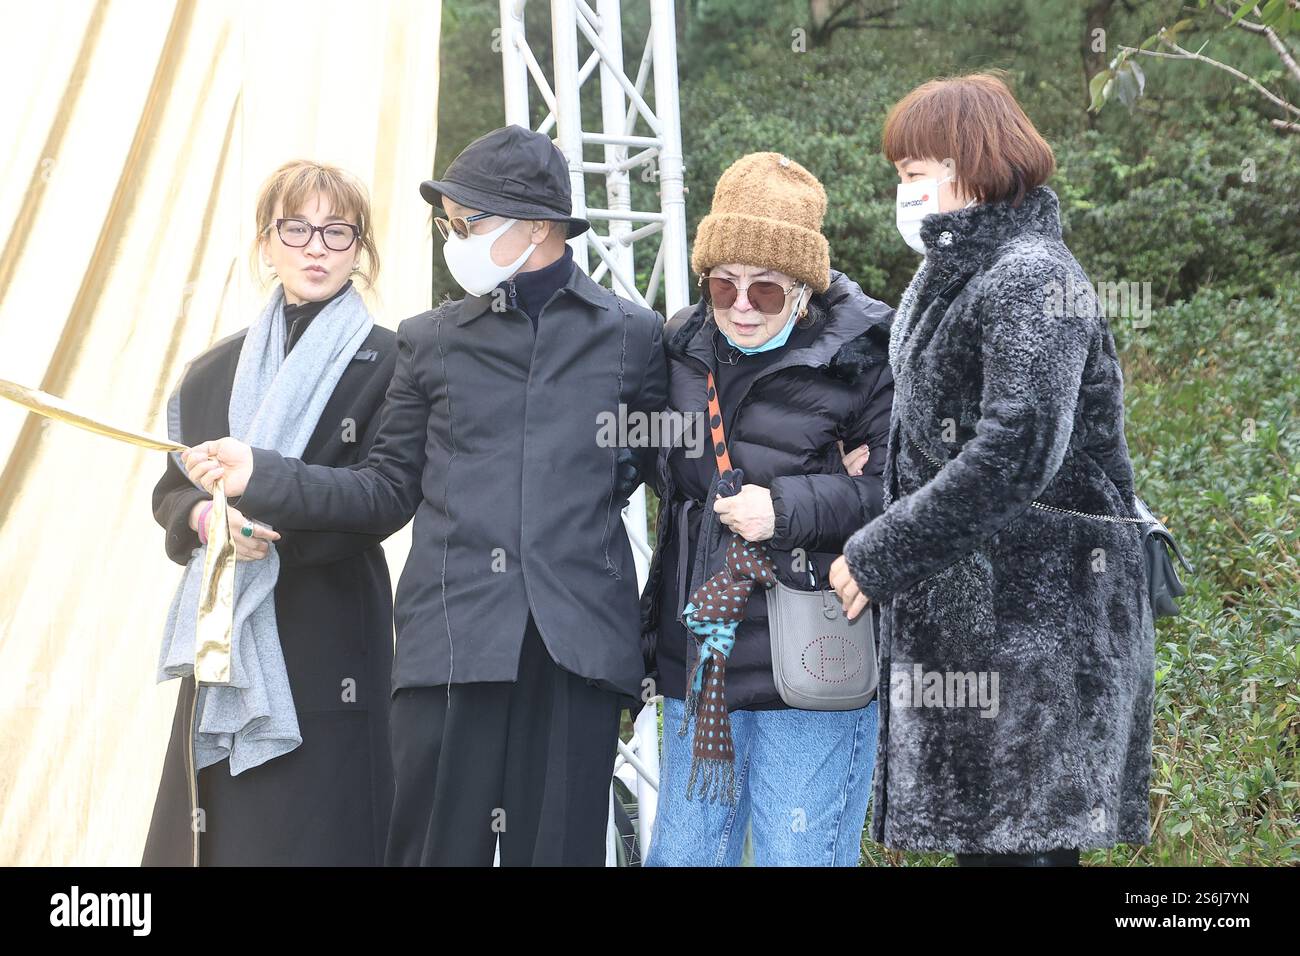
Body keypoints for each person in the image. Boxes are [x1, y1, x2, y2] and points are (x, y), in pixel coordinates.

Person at [179, 125, 668, 866]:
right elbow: (381, 491)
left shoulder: (634, 335)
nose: (454, 239)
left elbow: (675, 476)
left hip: (579, 657)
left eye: (467, 224)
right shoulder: (431, 339)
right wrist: (264, 475)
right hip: (451, 646)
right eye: (450, 225)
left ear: (536, 228)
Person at [830, 72, 1156, 867]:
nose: (901, 191)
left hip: (1038, 634)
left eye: (913, 173)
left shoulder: (1033, 275)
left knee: (1028, 849)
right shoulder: (949, 279)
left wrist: (881, 553)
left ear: (972, 164)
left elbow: (1019, 451)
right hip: (977, 628)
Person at [640, 152, 895, 866]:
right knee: (686, 855)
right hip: (703, 649)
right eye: (724, 285)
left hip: (816, 657)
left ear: (806, 290)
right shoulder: (682, 342)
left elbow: (905, 498)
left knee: (798, 854)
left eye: (767, 291)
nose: (742, 305)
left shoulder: (868, 351)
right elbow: (660, 464)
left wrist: (787, 505)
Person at [142, 160, 396, 865]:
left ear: (360, 250)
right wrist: (205, 521)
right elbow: (171, 490)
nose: (317, 247)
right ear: (267, 242)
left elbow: (381, 496)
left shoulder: (391, 362)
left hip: (330, 626)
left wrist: (267, 489)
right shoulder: (212, 371)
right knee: (224, 835)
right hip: (226, 631)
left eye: (337, 231)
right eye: (298, 228)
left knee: (327, 828)